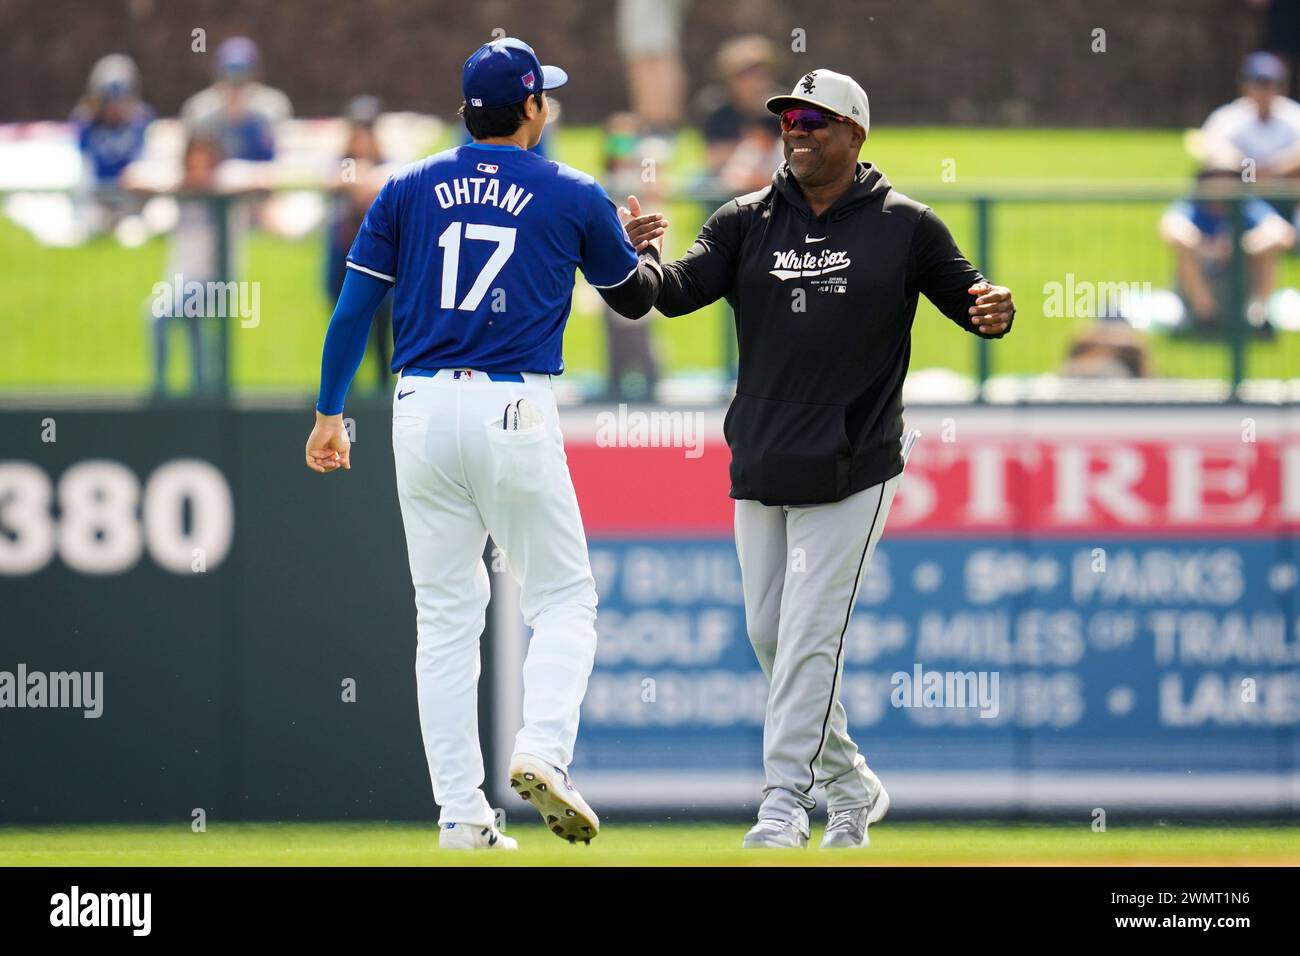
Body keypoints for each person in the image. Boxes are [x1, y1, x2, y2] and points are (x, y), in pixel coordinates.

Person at [621, 69, 1015, 849]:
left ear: (856, 133)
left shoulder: (906, 225)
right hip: (763, 461)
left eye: (815, 119)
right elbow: (667, 294)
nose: (797, 130)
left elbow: (976, 304)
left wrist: (994, 310)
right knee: (770, 634)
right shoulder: (742, 221)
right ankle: (851, 785)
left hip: (852, 465)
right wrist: (627, 259)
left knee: (805, 637)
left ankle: (780, 804)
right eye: (789, 119)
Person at [303, 38, 662, 851]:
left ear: (468, 111)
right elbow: (636, 305)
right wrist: (643, 248)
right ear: (531, 107)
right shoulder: (573, 190)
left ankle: (462, 816)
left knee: (445, 620)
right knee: (565, 600)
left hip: (420, 407)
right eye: (547, 98)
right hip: (513, 406)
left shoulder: (405, 187)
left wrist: (329, 413)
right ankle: (542, 749)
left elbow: (353, 313)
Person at [1159, 163, 1295, 333]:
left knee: (1266, 254)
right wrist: (1209, 248)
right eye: (1214, 179)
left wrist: (1242, 247)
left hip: (1241, 278)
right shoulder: (1192, 205)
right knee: (1185, 254)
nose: (1221, 185)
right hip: (1204, 278)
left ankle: (1258, 318)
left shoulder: (1246, 205)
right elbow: (1171, 231)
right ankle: (1207, 319)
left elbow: (1283, 234)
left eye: (1227, 178)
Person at [325, 95, 394, 393]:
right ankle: (340, 402)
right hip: (344, 257)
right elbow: (338, 181)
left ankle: (380, 399)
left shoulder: (389, 162)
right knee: (345, 328)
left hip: (381, 260)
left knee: (381, 335)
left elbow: (378, 184)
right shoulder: (338, 163)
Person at [71, 54, 154, 231]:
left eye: (120, 100)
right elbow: (84, 167)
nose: (114, 108)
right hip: (98, 196)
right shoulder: (86, 122)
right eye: (108, 101)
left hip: (131, 198)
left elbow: (143, 163)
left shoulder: (141, 120)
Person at [1199, 52, 1300, 190]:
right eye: (1258, 83)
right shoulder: (1228, 116)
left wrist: (1275, 169)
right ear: (1245, 86)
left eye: (1269, 83)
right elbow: (1213, 149)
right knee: (1219, 173)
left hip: (1286, 189)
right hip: (1242, 189)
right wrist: (1251, 170)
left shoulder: (1293, 114)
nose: (1264, 90)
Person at [181, 36, 292, 162]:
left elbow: (278, 148)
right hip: (213, 177)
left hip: (260, 174)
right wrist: (221, 117)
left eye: (242, 74)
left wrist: (248, 119)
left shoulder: (274, 102)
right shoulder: (200, 105)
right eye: (229, 73)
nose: (235, 82)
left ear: (255, 74)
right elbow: (194, 153)